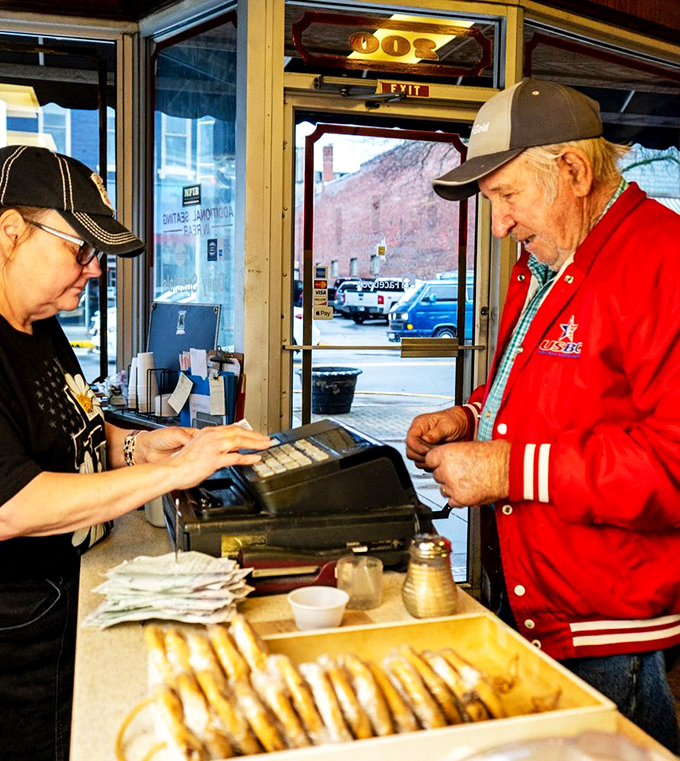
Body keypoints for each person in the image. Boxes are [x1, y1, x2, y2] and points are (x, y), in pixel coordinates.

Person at [406, 78, 680, 752]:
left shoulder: (662, 259)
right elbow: (552, 387)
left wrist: (508, 466)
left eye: (506, 195)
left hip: (606, 628)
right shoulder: (545, 254)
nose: (498, 223)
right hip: (534, 599)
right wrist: (473, 416)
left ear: (574, 171)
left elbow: (671, 465)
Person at [0, 145, 272, 761]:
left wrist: (142, 446)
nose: (94, 270)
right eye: (80, 249)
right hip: (15, 643)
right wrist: (175, 472)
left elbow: (77, 442)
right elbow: (12, 505)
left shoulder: (40, 327)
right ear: (11, 232)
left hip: (67, 605)